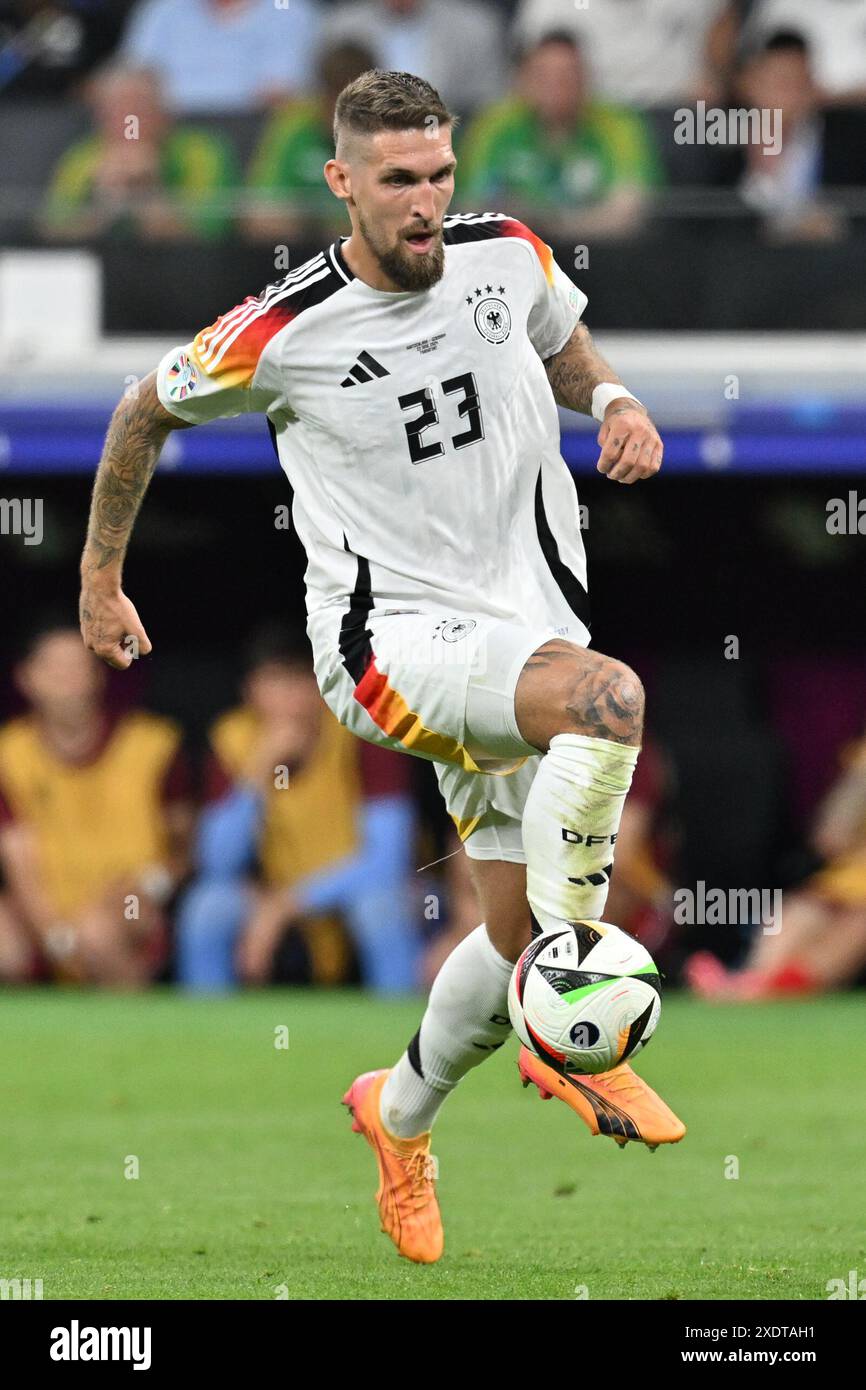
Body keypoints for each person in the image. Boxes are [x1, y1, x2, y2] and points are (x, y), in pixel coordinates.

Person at [79, 69, 683, 1267]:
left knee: (507, 933)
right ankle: (579, 1032)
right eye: (397, 180)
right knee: (609, 703)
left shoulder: (504, 253)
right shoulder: (283, 328)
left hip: (520, 629)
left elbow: (558, 335)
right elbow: (139, 412)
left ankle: (394, 1113)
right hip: (387, 648)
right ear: (340, 181)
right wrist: (99, 577)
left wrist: (611, 398)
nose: (423, 201)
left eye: (439, 175)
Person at [176, 627, 420, 991]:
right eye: (272, 683)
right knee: (206, 907)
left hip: (356, 888)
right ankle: (211, 1038)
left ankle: (401, 1037)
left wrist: (285, 905)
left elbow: (386, 861)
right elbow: (217, 863)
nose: (287, 699)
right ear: (250, 692)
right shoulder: (233, 739)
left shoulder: (363, 731)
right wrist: (258, 772)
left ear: (322, 685)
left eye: (298, 682)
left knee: (378, 907)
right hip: (270, 892)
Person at [0, 623, 192, 985]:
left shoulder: (153, 744)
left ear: (98, 675)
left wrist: (151, 885)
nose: (66, 679)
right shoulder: (9, 754)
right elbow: (18, 862)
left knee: (97, 934)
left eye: (77, 666)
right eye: (52, 668)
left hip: (130, 906)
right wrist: (56, 936)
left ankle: (140, 1031)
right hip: (44, 911)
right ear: (25, 678)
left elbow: (184, 845)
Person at [686, 723, 866, 999]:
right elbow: (829, 839)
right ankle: (753, 978)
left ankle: (766, 989)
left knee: (858, 923)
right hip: (849, 880)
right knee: (804, 907)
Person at [457, 31, 660, 241]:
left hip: (601, 256)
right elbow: (471, 207)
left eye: (567, 75)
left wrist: (553, 226)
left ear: (586, 77)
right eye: (543, 76)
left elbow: (628, 212)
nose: (556, 86)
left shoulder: (619, 125)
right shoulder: (493, 125)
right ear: (522, 79)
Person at [39, 65, 238, 242]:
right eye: (118, 111)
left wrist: (148, 193)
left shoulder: (201, 153)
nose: (129, 122)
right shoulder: (83, 157)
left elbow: (208, 239)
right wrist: (103, 207)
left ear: (164, 113)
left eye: (138, 109)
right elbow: (53, 234)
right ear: (99, 118)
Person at [243, 40, 376, 244]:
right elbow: (260, 217)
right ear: (320, 94)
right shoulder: (291, 125)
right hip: (305, 255)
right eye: (334, 97)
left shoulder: (396, 135)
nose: (343, 114)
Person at [733, 30, 845, 243]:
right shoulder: (721, 149)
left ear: (813, 87)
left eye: (799, 84)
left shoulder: (846, 145)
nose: (790, 95)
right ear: (750, 85)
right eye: (780, 83)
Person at [119, 0, 321, 115]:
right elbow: (134, 79)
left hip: (251, 130)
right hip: (167, 129)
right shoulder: (163, 10)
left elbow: (281, 93)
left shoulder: (289, 11)